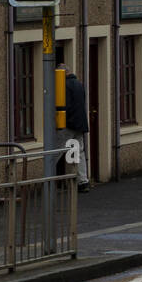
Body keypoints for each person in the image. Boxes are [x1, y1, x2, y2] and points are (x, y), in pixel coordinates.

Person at [58, 63, 90, 193]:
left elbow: (64, 105)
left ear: (61, 74)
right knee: (78, 152)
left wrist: (60, 122)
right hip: (80, 124)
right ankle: (82, 181)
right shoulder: (78, 84)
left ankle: (47, 179)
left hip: (68, 124)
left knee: (56, 150)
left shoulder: (64, 85)